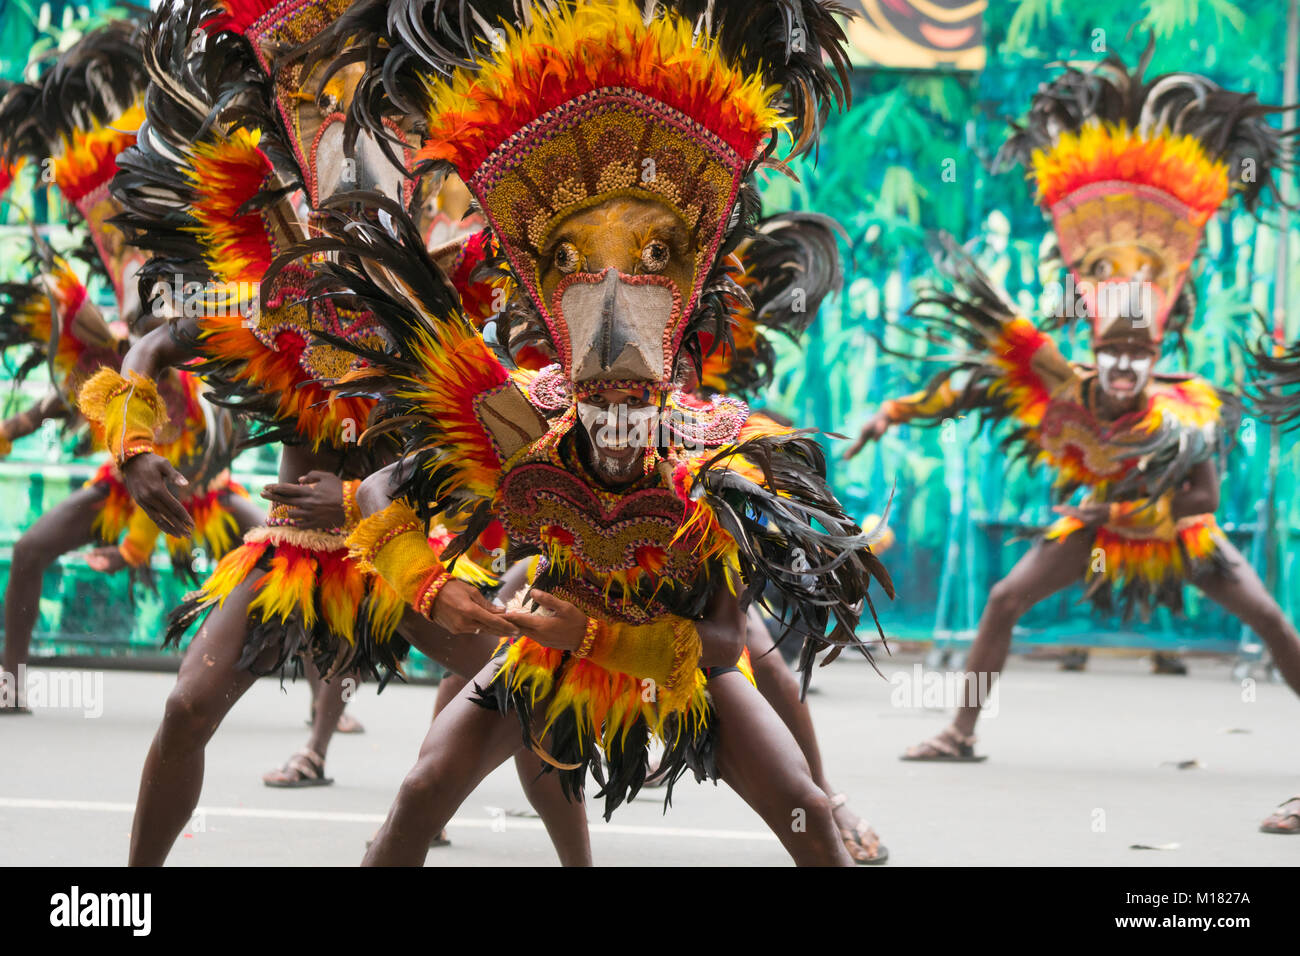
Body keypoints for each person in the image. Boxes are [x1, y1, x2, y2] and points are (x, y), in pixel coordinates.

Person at [305, 0, 892, 866]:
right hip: (546, 653)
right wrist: (428, 586)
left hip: (672, 659)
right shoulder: (521, 415)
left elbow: (727, 640)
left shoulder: (716, 453)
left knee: (802, 806)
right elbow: (391, 485)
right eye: (596, 400)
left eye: (632, 404)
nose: (614, 424)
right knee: (421, 794)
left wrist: (588, 636)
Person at [841, 44, 1300, 769]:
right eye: (1114, 354)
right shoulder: (1058, 380)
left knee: (1273, 620)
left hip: (1173, 535)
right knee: (1003, 599)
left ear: (1154, 356)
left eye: (1138, 357)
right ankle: (958, 734)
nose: (1124, 367)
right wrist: (892, 414)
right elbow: (970, 384)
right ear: (1096, 346)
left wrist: (1116, 513)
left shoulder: (1187, 408)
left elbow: (1201, 498)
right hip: (1092, 523)